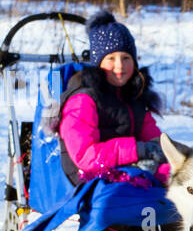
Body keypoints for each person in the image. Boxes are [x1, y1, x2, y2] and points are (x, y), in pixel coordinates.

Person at [44, 10, 169, 187]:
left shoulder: (135, 96)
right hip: (88, 182)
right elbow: (86, 157)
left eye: (126, 58)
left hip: (126, 174)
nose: (120, 65)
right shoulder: (83, 100)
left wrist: (173, 171)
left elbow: (155, 142)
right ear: (98, 63)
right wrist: (137, 150)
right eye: (111, 58)